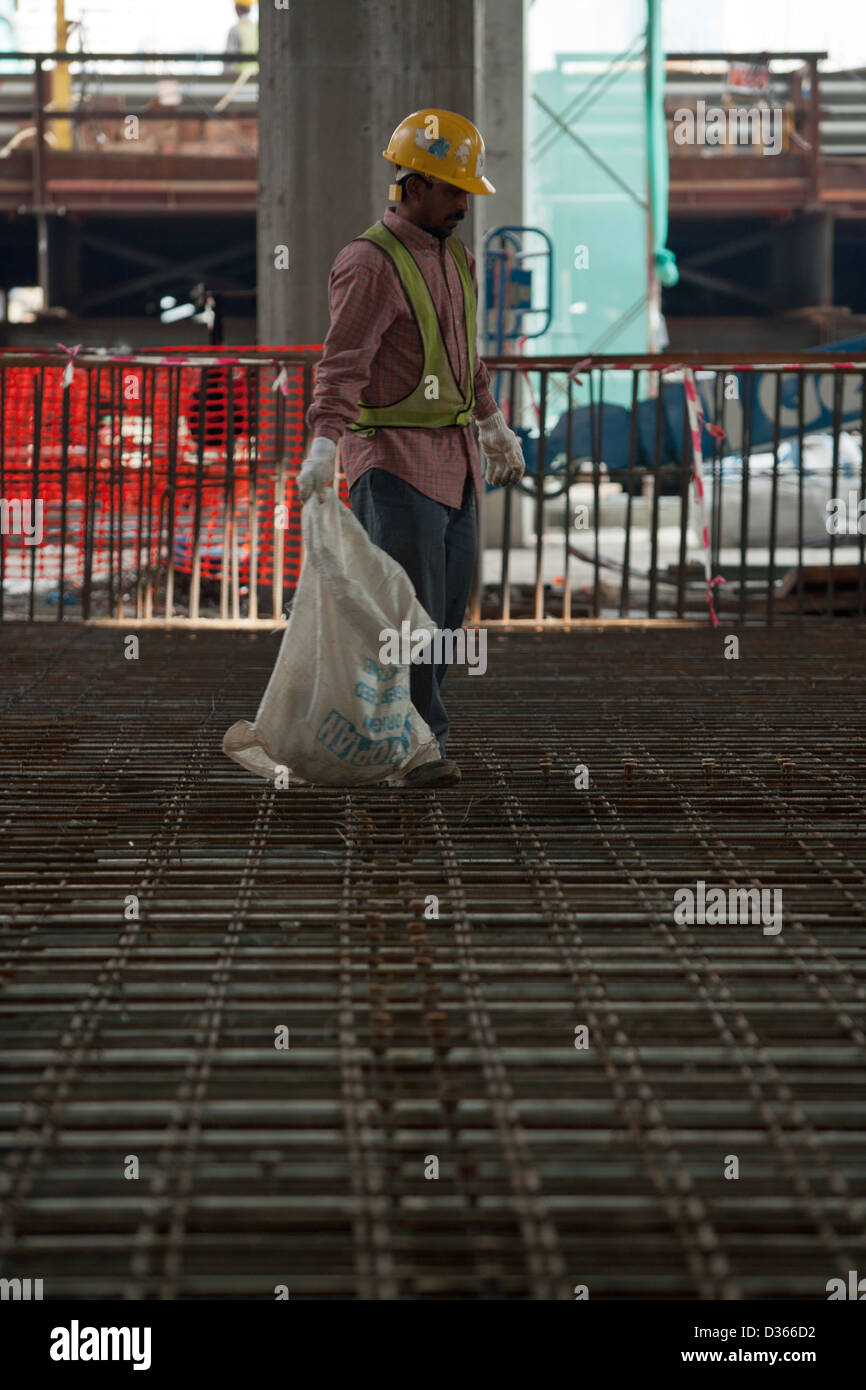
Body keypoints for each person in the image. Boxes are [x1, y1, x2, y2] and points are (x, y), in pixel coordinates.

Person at [299, 109, 526, 789]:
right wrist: (323, 445)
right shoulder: (369, 264)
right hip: (395, 466)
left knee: (445, 613)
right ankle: (407, 746)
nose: (464, 204)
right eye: (455, 191)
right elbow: (342, 365)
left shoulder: (451, 256)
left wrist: (491, 422)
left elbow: (465, 357)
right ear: (416, 185)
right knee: (406, 614)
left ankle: (420, 736)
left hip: (452, 466)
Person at [224, 1, 257, 76]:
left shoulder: (235, 30)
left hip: (239, 77)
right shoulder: (257, 29)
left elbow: (230, 59)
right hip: (255, 77)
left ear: (237, 8)